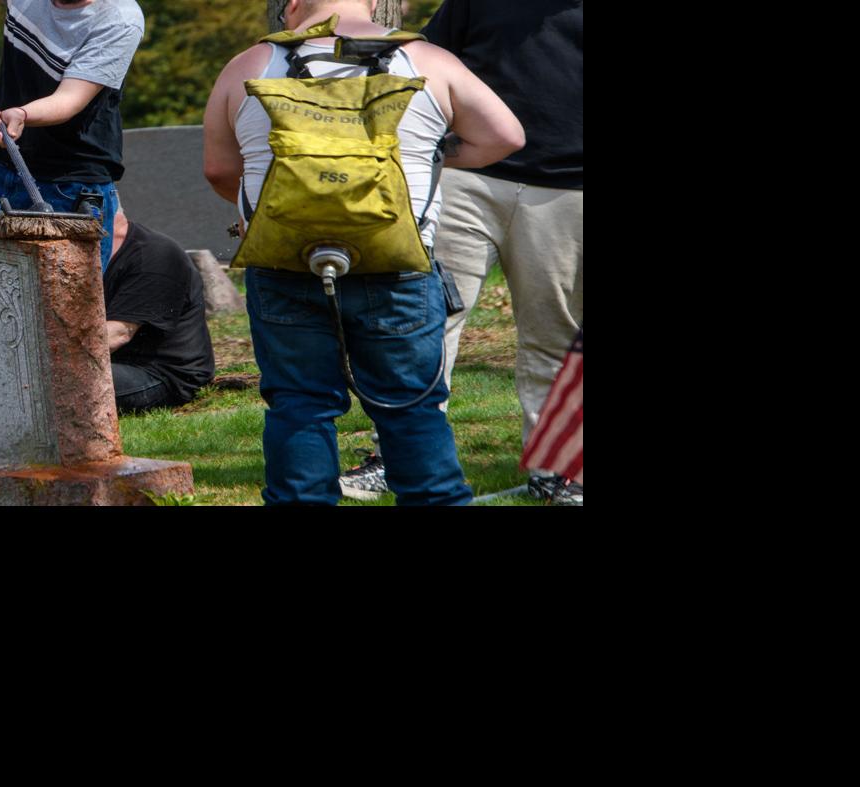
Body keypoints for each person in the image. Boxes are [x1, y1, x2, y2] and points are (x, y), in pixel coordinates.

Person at [201, 0, 523, 505]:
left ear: (292, 4)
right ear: (374, 1)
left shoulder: (248, 64)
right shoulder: (428, 61)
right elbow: (506, 136)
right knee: (411, 406)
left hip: (285, 262)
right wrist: (431, 152)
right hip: (396, 263)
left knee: (299, 404)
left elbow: (220, 170)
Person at [340, 0, 584, 505]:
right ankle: (398, 458)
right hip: (467, 177)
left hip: (569, 191)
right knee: (426, 321)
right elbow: (424, 62)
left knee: (556, 334)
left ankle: (558, 471)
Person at [0, 0, 145, 271]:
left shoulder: (119, 19)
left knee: (66, 296)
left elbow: (69, 99)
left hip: (70, 185)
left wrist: (22, 113)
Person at [102, 210, 214, 412]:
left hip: (161, 375)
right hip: (114, 362)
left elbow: (117, 335)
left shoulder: (154, 254)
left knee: (57, 383)